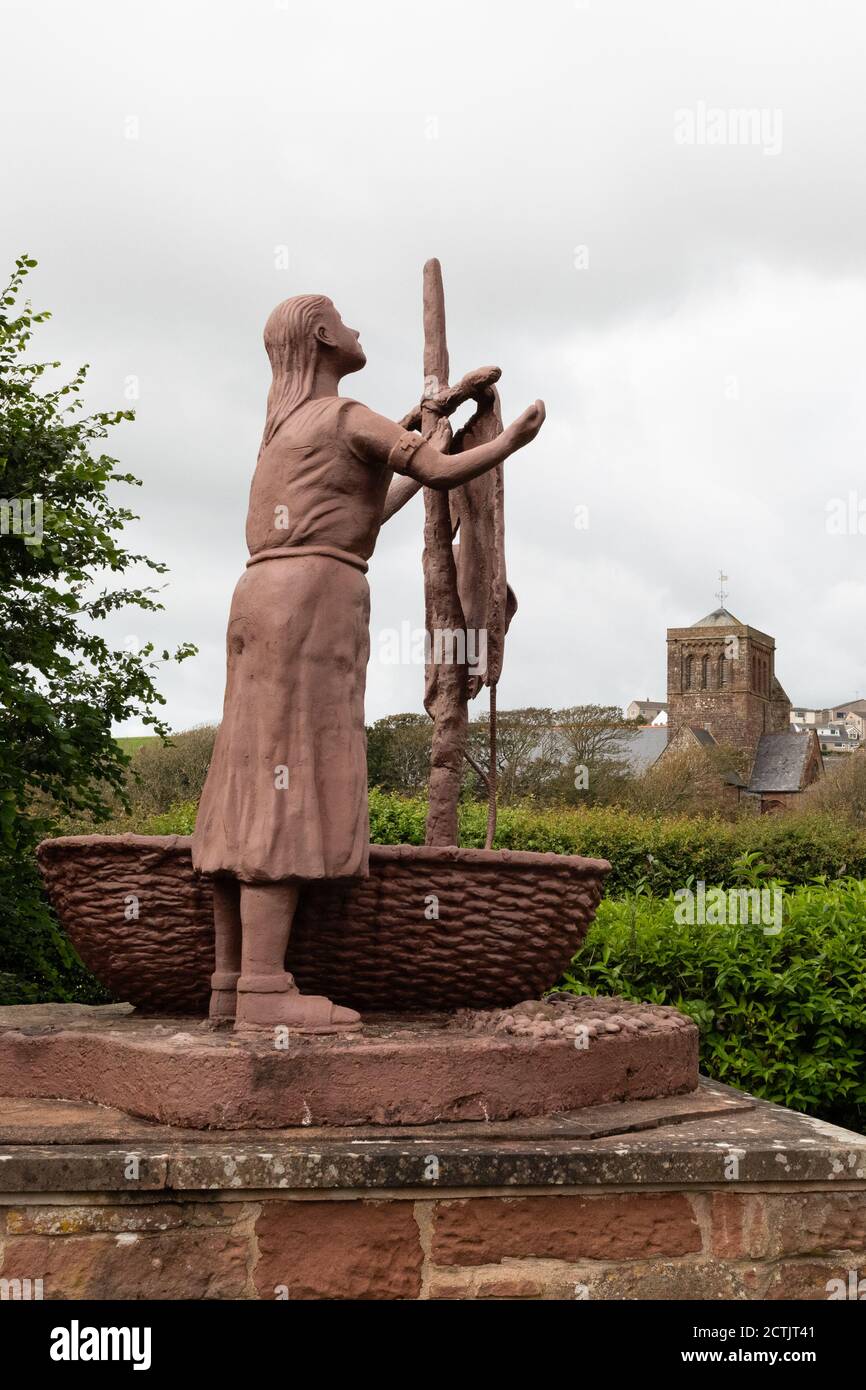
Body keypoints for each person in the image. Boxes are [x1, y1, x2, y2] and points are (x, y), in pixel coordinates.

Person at [191, 293, 545, 1032]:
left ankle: (229, 984)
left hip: (261, 595)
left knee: (249, 774)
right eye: (345, 323)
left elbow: (369, 506)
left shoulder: (285, 428)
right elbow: (441, 473)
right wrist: (512, 440)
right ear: (323, 336)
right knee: (291, 773)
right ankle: (264, 990)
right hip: (314, 602)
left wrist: (418, 434)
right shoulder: (346, 415)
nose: (356, 331)